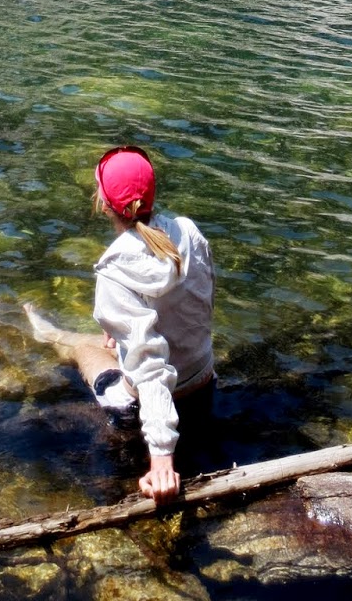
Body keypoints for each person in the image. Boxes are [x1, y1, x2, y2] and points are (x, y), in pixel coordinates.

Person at [23, 145, 215, 503]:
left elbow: (151, 370)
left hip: (140, 403)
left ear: (104, 203)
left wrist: (161, 457)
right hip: (202, 381)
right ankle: (84, 333)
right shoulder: (188, 232)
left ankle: (47, 333)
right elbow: (199, 301)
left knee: (83, 347)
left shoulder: (113, 273)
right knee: (108, 339)